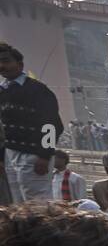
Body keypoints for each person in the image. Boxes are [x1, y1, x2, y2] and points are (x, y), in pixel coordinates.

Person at [0, 43, 62, 203]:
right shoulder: (2, 91)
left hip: (33, 155)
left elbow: (52, 124)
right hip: (10, 155)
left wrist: (44, 155)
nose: (2, 66)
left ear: (19, 64)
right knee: (19, 204)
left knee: (38, 204)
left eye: (6, 61)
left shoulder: (38, 90)